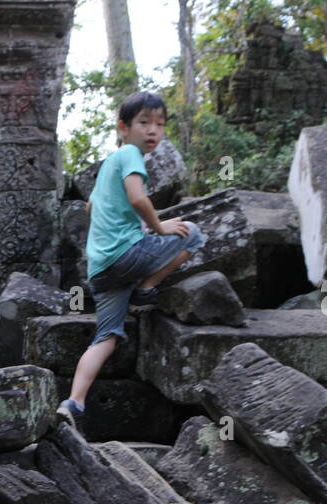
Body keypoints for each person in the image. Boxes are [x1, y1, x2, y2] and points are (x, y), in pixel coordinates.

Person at [57, 92, 205, 428]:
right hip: (128, 256)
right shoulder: (131, 155)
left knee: (106, 336)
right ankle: (147, 288)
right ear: (123, 128)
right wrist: (157, 225)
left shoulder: (110, 163)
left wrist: (131, 224)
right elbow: (138, 198)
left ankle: (73, 402)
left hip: (101, 269)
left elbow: (92, 209)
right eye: (144, 123)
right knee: (192, 232)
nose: (153, 131)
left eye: (160, 124)